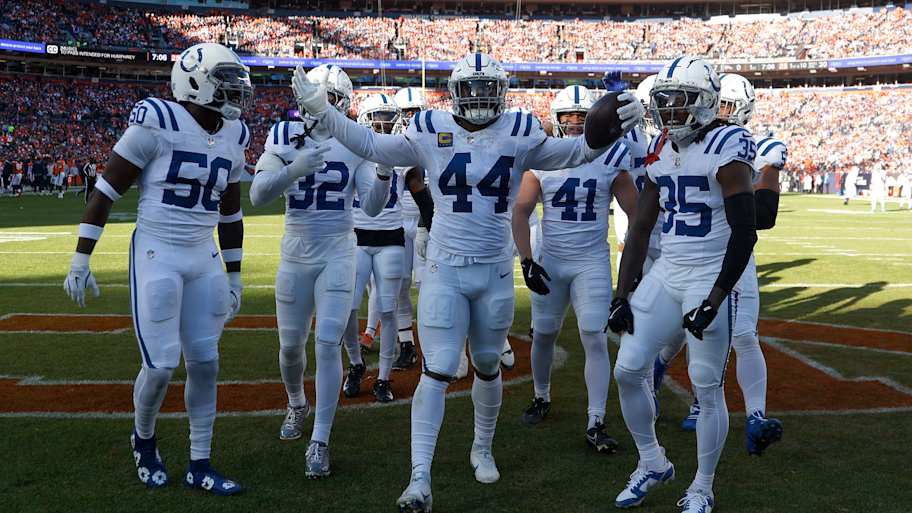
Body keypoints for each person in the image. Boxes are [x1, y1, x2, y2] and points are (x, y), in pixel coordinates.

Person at [291, 52, 644, 512]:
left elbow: (577, 151)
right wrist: (325, 111)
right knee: (436, 370)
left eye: (486, 89)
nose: (478, 98)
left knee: (486, 365)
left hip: (495, 269)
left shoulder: (520, 131)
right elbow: (372, 146)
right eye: (470, 89)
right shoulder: (427, 128)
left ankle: (482, 446)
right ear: (454, 94)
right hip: (445, 269)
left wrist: (611, 126)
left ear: (501, 94)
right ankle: (419, 477)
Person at [62, 42, 251, 495]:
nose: (235, 91)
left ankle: (200, 462)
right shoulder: (156, 122)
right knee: (162, 365)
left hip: (202, 255)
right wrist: (81, 256)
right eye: (225, 81)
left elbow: (230, 212)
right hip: (157, 251)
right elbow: (106, 190)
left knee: (206, 362)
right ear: (195, 82)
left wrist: (234, 273)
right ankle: (144, 440)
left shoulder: (234, 135)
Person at [606, 56, 758, 513]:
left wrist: (715, 298)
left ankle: (702, 487)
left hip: (710, 275)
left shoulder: (729, 145)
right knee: (627, 371)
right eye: (664, 101)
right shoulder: (660, 148)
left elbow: (745, 233)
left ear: (707, 102)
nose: (670, 110)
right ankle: (653, 462)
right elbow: (641, 228)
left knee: (706, 384)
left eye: (681, 100)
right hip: (668, 272)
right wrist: (621, 293)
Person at [249, 65, 392, 477]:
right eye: (318, 97)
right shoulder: (282, 135)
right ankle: (297, 403)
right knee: (290, 348)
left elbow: (372, 207)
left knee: (327, 343)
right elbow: (258, 194)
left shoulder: (356, 142)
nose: (322, 107)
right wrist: (293, 168)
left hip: (338, 250)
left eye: (331, 99)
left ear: (342, 104)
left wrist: (383, 172)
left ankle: (320, 440)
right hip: (295, 252)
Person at [653, 73, 784, 454]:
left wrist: (730, 195)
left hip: (734, 253)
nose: (720, 112)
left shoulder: (758, 147)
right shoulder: (681, 144)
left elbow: (766, 215)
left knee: (742, 335)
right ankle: (680, 385)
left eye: (727, 105)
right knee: (688, 330)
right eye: (718, 103)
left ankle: (756, 416)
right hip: (689, 254)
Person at [512, 85, 639, 455]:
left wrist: (635, 266)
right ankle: (541, 396)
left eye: (581, 118)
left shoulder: (612, 154)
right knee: (544, 335)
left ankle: (596, 420)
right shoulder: (543, 156)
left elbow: (636, 215)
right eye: (567, 117)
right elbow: (520, 211)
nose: (573, 124)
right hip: (551, 261)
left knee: (594, 337)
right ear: (556, 118)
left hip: (590, 262)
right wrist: (526, 260)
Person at [341, 93, 434, 403]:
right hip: (357, 238)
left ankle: (383, 378)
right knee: (347, 308)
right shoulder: (352, 151)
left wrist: (433, 227)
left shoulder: (403, 154)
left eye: (386, 117)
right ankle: (356, 364)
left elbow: (421, 193)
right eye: (375, 117)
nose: (382, 124)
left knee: (389, 307)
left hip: (391, 238)